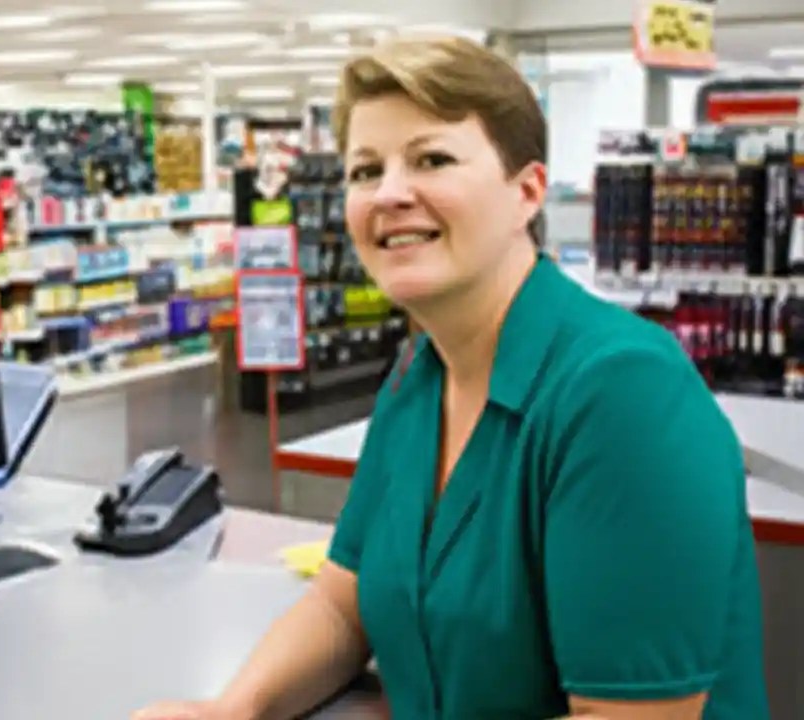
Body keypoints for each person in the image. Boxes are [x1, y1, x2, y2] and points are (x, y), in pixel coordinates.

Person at [134, 36, 767, 720]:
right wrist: (233, 711)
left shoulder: (622, 395)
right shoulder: (417, 378)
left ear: (526, 191)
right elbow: (342, 607)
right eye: (365, 170)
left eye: (431, 159)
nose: (390, 194)